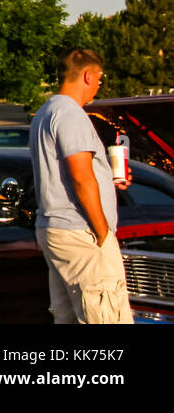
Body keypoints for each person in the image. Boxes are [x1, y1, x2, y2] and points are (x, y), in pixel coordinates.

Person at [29, 49, 133, 324]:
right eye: (100, 78)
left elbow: (68, 173)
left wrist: (107, 178)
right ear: (87, 75)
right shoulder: (71, 114)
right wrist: (102, 233)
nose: (100, 84)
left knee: (69, 317)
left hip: (54, 227)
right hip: (81, 231)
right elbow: (80, 177)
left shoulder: (45, 112)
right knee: (108, 316)